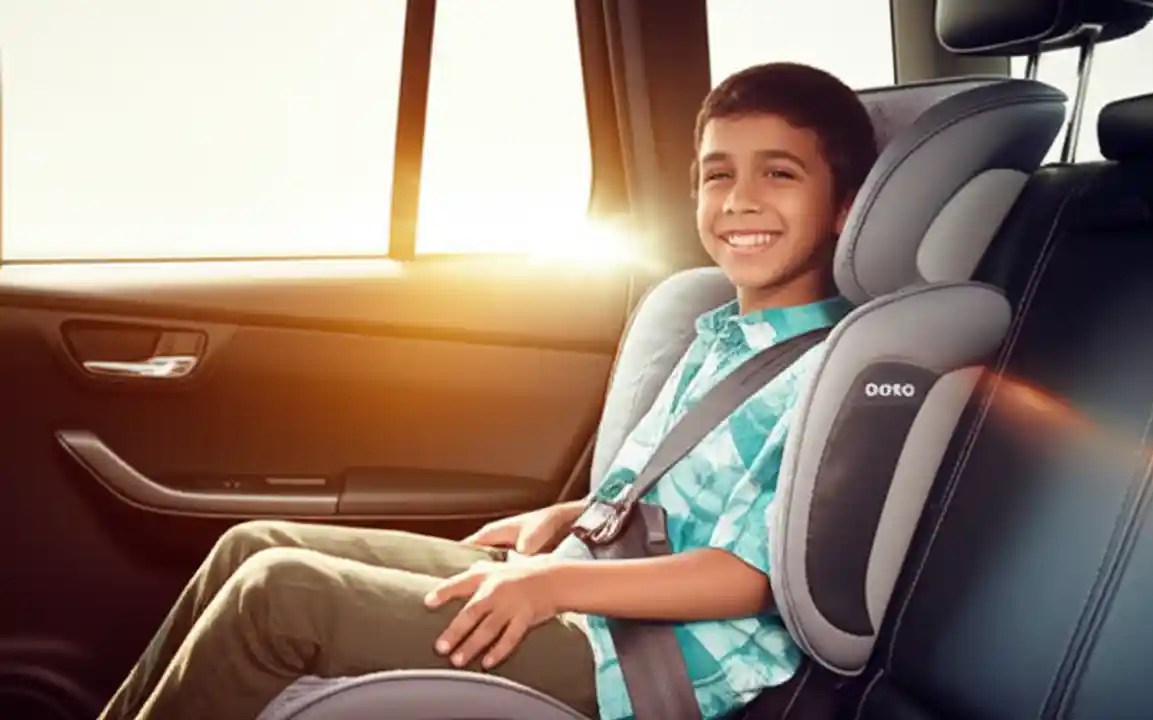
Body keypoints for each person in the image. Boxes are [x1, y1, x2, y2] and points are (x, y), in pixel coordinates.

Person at [96, 61, 878, 720]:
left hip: (654, 660)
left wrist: (552, 583)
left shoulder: (834, 370)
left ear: (845, 207)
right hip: (595, 585)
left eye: (779, 173)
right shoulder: (718, 334)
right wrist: (574, 517)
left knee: (280, 594)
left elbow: (752, 576)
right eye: (718, 174)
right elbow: (679, 495)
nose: (739, 200)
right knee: (253, 542)